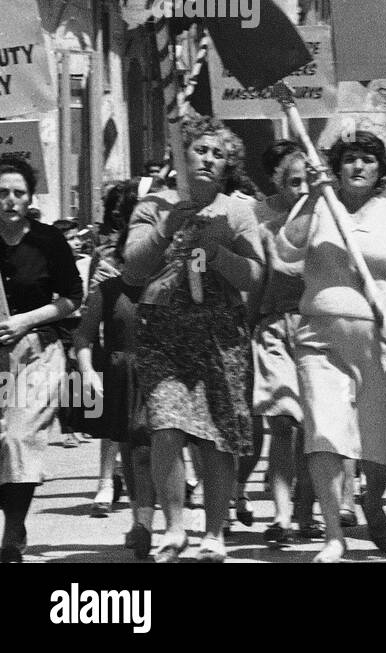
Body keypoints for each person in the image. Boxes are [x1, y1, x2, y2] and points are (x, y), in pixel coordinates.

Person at [280, 131, 386, 563]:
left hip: (382, 341)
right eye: (349, 160)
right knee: (325, 434)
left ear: (381, 171)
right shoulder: (316, 206)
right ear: (337, 167)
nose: (358, 167)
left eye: (368, 160)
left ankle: (374, 498)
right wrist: (311, 197)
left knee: (378, 445)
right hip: (320, 339)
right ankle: (333, 534)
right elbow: (285, 252)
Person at [123, 117, 264, 563]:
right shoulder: (153, 204)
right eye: (200, 150)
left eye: (218, 154)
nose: (208, 159)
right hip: (164, 331)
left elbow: (255, 275)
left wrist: (217, 249)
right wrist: (166, 230)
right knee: (165, 427)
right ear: (183, 155)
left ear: (228, 167)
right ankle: (174, 528)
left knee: (217, 436)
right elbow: (131, 267)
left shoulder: (238, 211)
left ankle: (214, 533)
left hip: (220, 335)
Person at [0, 158, 83, 563]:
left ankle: (12, 532)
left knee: (19, 440)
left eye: (17, 193)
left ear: (30, 198)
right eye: (2, 193)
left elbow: (72, 299)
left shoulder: (50, 241)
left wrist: (25, 321)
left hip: (36, 350)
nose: (9, 200)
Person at [73, 181, 144, 547]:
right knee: (121, 433)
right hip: (119, 351)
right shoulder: (108, 258)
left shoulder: (174, 251)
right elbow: (91, 311)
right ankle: (114, 488)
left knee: (152, 440)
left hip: (163, 356)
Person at [249, 140, 313, 544]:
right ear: (277, 182)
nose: (300, 190)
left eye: (308, 183)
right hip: (274, 329)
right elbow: (257, 285)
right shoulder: (264, 228)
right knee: (283, 420)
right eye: (293, 182)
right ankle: (283, 515)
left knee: (315, 427)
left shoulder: (329, 226)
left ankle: (308, 512)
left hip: (317, 329)